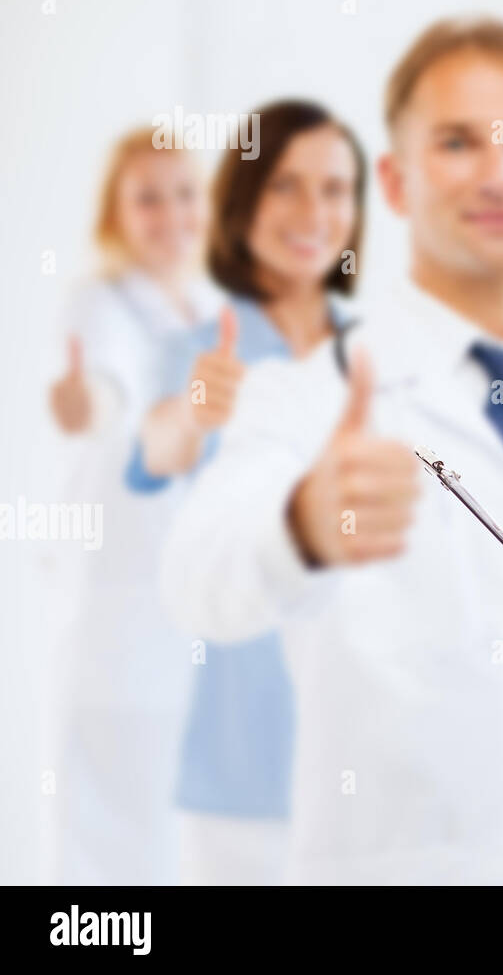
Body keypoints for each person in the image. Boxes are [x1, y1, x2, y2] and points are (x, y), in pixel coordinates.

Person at [162, 17, 503, 883]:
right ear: (397, 183)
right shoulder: (308, 394)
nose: (496, 173)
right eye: (457, 142)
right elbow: (197, 580)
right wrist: (301, 524)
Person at [127, 101, 366, 885]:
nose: (313, 213)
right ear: (243, 203)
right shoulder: (202, 351)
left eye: (335, 189)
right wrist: (193, 414)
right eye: (287, 187)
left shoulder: (375, 351)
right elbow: (154, 452)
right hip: (243, 766)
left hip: (365, 753)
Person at [43, 126, 220, 884]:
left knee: (169, 808)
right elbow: (103, 393)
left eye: (184, 194)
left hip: (187, 593)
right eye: (146, 198)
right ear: (116, 212)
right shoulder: (103, 301)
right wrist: (85, 402)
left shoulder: (212, 307)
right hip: (121, 589)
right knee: (107, 806)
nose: (169, 214)